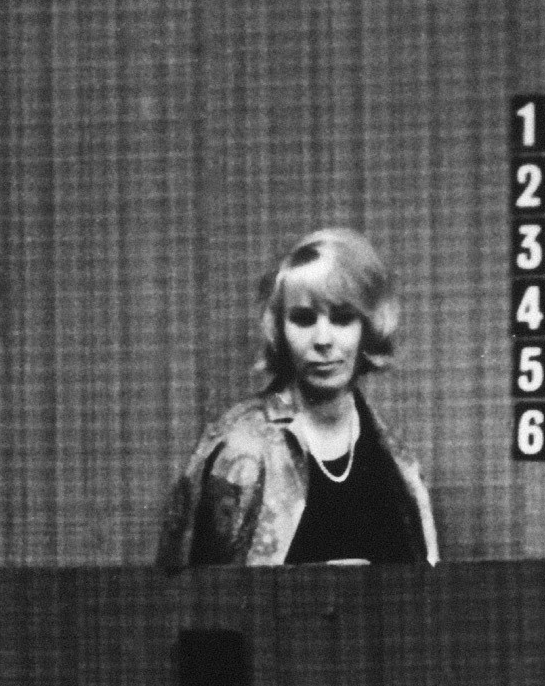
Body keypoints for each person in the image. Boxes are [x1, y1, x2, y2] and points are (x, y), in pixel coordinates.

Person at [158, 226, 439, 571]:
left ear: (368, 326)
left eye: (342, 318)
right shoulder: (239, 446)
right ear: (279, 328)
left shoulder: (396, 459)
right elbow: (194, 599)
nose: (323, 339)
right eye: (304, 319)